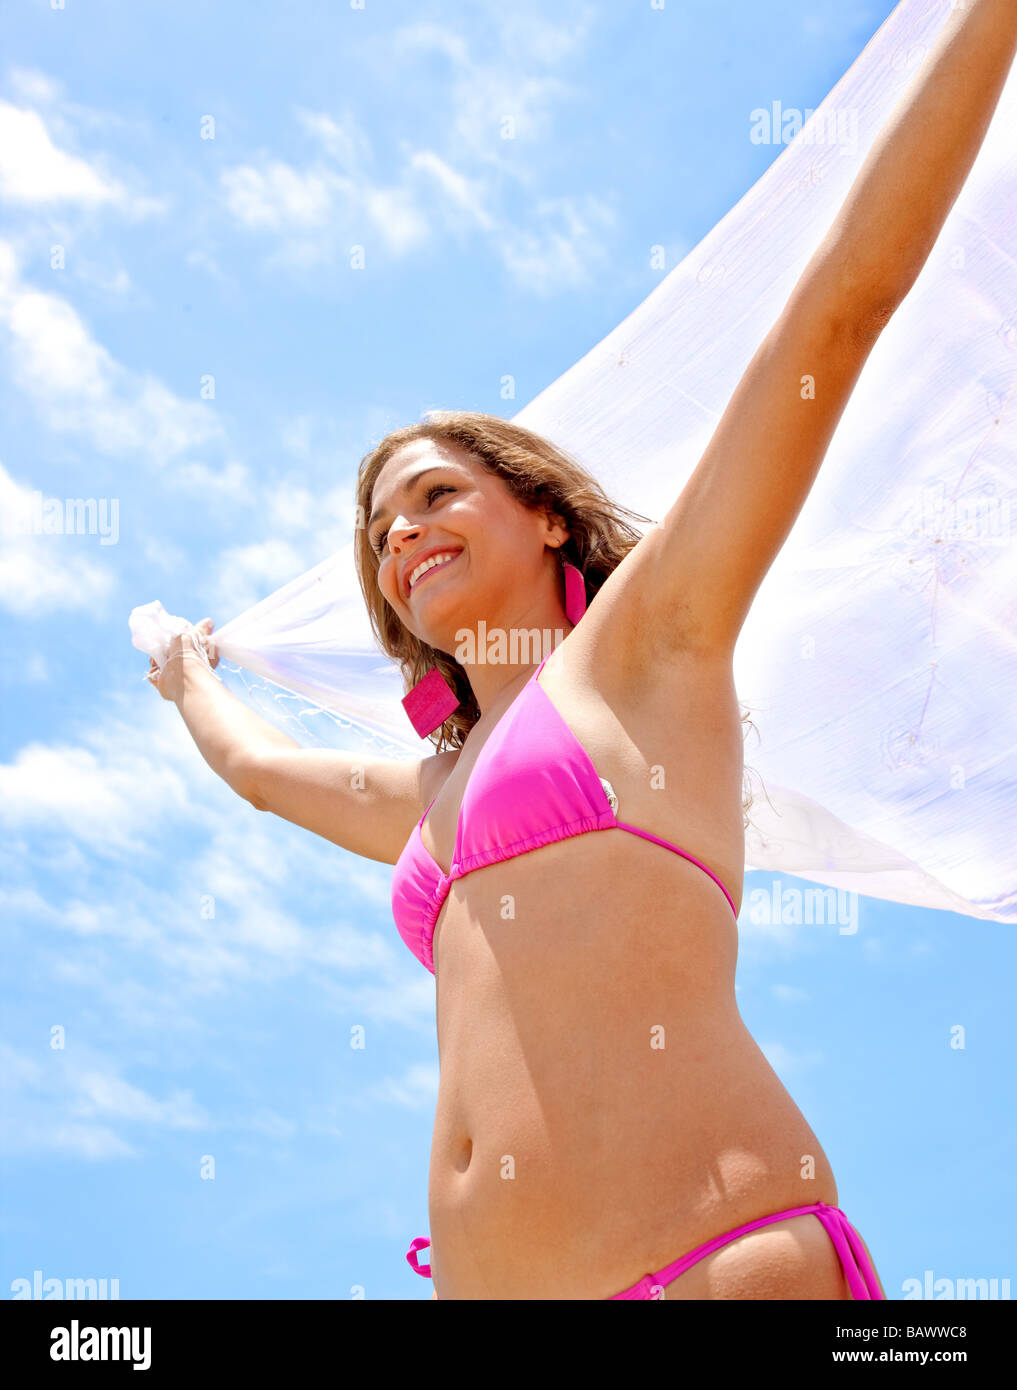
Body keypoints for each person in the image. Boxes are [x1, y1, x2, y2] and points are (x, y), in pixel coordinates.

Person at [147, 0, 1017, 1299]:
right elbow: (259, 773)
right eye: (382, 528)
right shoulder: (433, 789)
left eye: (436, 494)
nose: (401, 533)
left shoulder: (649, 642)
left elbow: (833, 313)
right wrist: (185, 671)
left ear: (543, 508)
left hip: (710, 1262)